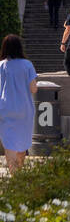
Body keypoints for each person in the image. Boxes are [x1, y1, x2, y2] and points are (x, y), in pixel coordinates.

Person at [0, 35, 37, 173]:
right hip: (24, 110)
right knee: (22, 142)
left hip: (5, 109)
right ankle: (19, 173)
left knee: (9, 143)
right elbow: (33, 88)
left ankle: (13, 172)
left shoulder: (1, 66)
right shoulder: (27, 65)